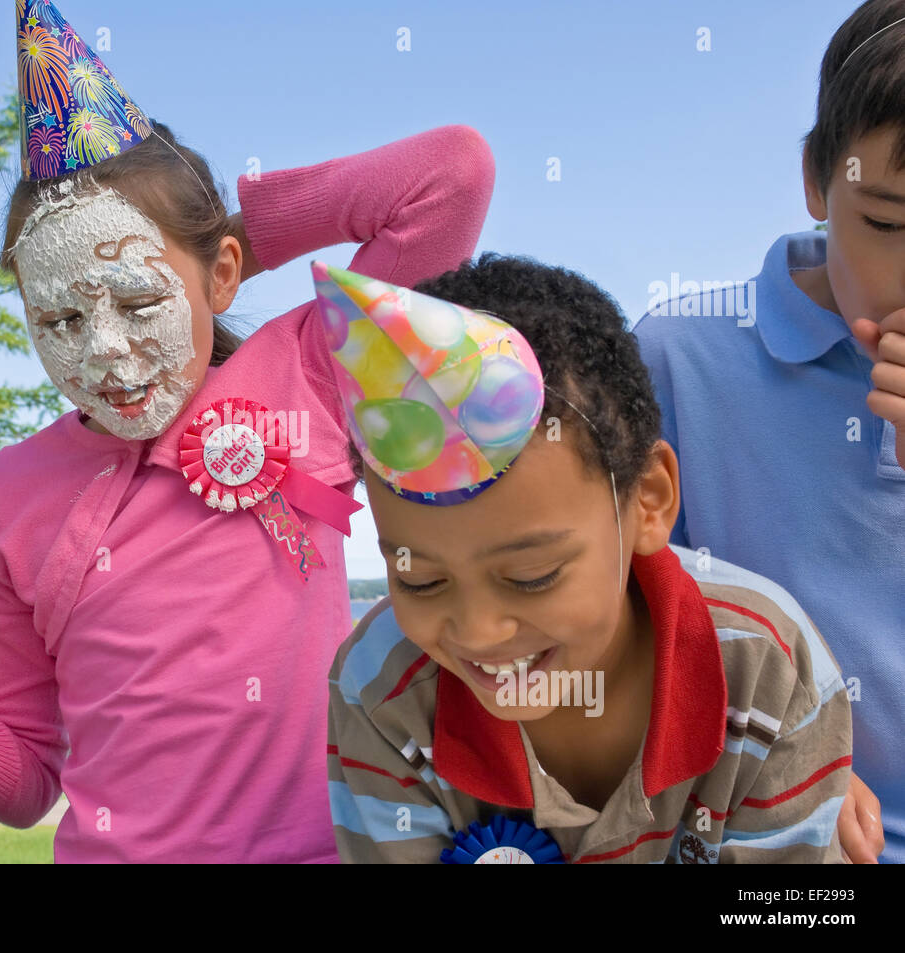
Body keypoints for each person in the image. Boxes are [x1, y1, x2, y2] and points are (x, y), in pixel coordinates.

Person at [0, 0, 494, 862]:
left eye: (142, 300)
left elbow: (451, 175)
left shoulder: (313, 372)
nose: (106, 351)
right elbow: (28, 776)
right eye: (61, 318)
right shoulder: (8, 493)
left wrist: (214, 237)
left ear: (223, 275)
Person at [323, 255, 852, 863]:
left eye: (532, 576)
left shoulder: (765, 669)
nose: (477, 630)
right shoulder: (380, 689)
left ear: (648, 501)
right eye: (419, 579)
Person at [633, 0, 904, 863]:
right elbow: (617, 624)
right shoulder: (681, 356)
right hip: (779, 844)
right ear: (817, 182)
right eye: (889, 224)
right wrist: (791, 756)